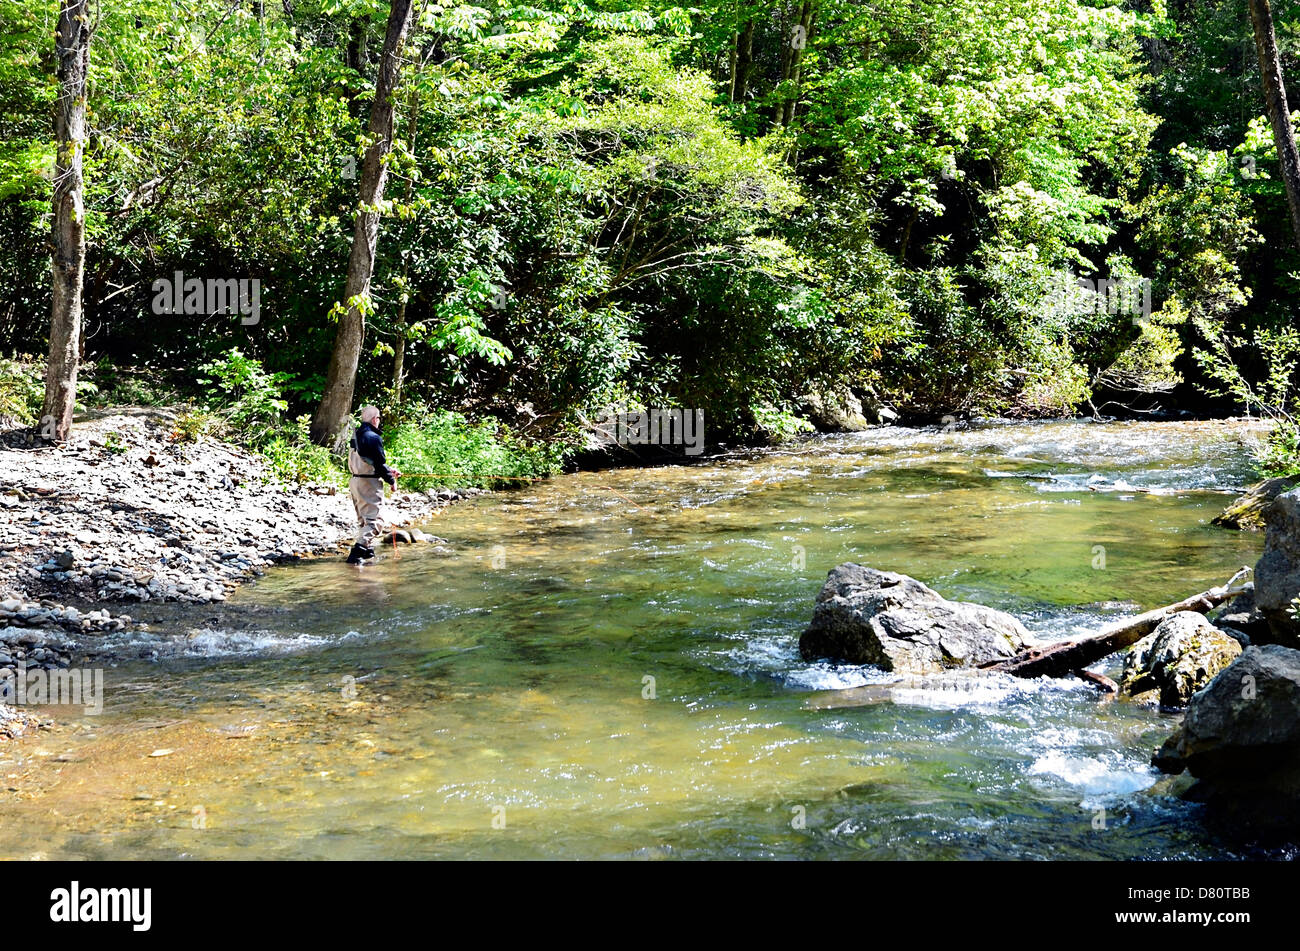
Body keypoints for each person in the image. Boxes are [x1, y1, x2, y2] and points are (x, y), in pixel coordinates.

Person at [347, 405, 401, 564]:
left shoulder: (356, 434)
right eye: (378, 419)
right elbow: (378, 463)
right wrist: (392, 481)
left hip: (355, 480)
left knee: (364, 521)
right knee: (375, 522)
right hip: (368, 483)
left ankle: (367, 555)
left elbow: (368, 460)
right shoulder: (373, 437)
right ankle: (355, 556)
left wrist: (388, 470)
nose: (379, 421)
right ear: (374, 419)